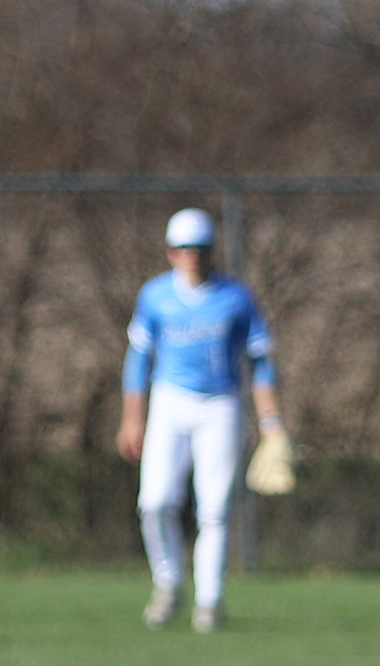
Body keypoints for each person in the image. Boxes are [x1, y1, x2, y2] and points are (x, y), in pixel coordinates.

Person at [116, 207, 288, 633]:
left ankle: (209, 600)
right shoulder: (155, 295)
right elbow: (138, 358)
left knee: (214, 508)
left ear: (213, 251)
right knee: (154, 501)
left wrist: (272, 424)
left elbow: (260, 362)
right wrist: (131, 419)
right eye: (183, 248)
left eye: (200, 248)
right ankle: (168, 583)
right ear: (170, 252)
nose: (192, 255)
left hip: (221, 404)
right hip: (170, 401)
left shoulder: (236, 297)